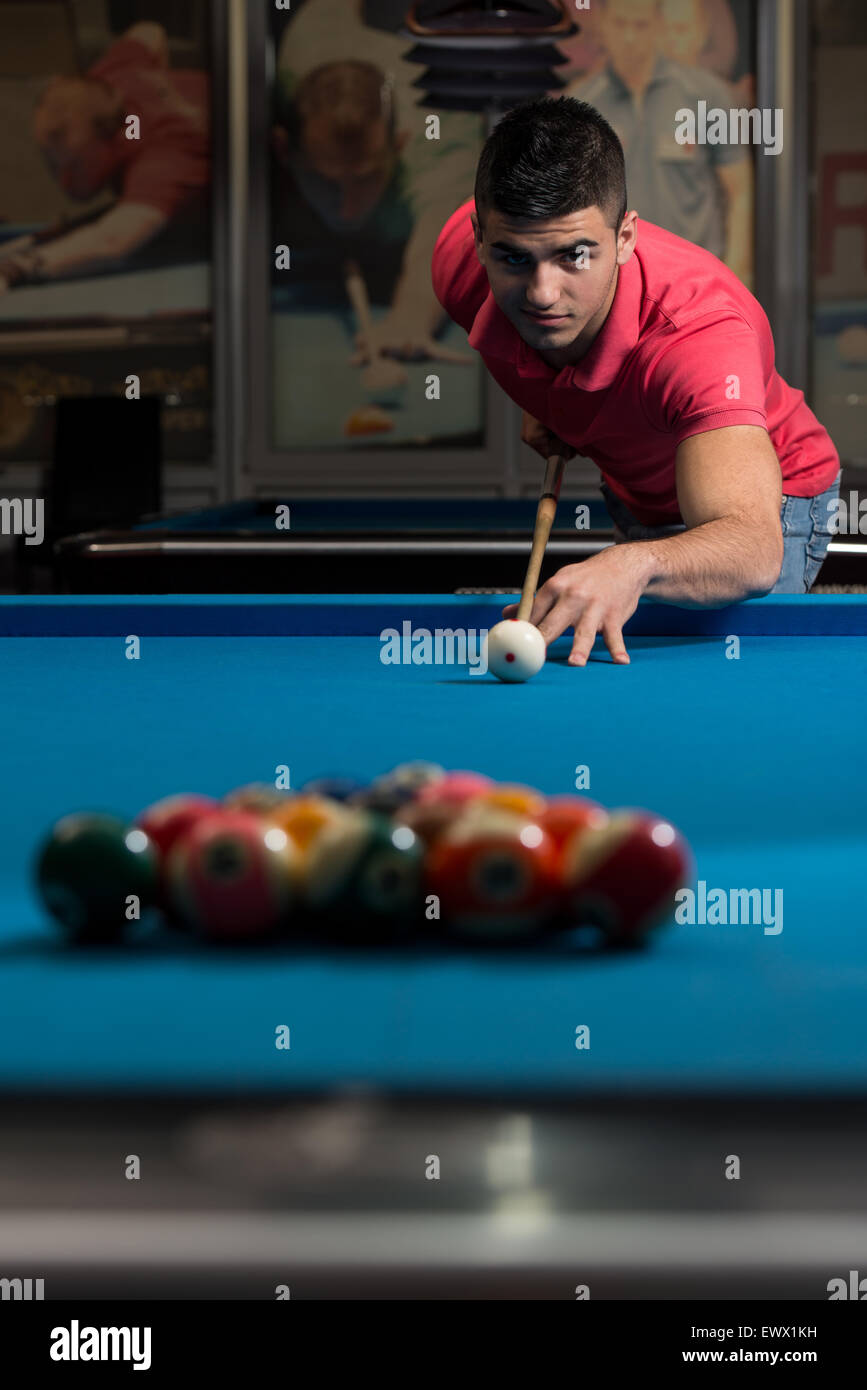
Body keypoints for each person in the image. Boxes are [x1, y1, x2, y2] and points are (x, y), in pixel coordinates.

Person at [432, 98, 840, 666]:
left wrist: (627, 563)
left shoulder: (698, 337)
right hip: (638, 490)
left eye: (574, 255)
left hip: (768, 504)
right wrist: (550, 396)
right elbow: (526, 347)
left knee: (723, 673)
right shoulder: (459, 264)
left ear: (625, 237)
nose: (542, 293)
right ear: (479, 237)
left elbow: (751, 548)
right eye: (514, 258)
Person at [0, 21, 209, 290]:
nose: (64, 182)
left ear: (110, 140)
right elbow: (149, 31)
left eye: (72, 167)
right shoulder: (113, 78)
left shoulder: (161, 164)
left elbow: (112, 240)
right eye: (52, 165)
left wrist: (16, 268)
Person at [566, 0, 752, 285]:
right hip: (614, 286)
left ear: (658, 26)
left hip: (696, 282)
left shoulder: (708, 96)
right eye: (620, 24)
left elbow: (739, 190)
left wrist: (735, 273)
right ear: (603, 25)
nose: (629, 37)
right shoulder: (581, 104)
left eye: (640, 25)